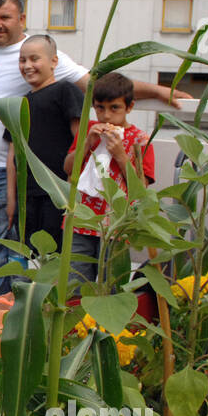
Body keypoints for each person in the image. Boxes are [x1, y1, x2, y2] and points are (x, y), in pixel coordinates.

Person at [0, 0, 185, 335]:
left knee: (1, 257)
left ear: (21, 20)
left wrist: (158, 91)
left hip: (10, 176)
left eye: (5, 18)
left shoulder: (43, 56)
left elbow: (100, 85)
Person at [63, 70, 156, 287]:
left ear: (129, 107)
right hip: (81, 221)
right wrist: (87, 143)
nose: (105, 116)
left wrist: (121, 156)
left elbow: (141, 188)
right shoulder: (88, 130)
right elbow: (68, 168)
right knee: (74, 282)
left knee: (111, 284)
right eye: (100, 108)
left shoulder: (141, 140)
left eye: (114, 108)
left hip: (116, 225)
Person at [3, 34, 82, 256]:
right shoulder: (18, 103)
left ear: (54, 61)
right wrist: (11, 198)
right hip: (27, 195)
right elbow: (12, 154)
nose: (27, 66)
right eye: (22, 60)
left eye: (34, 59)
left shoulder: (65, 91)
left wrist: (70, 189)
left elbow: (80, 141)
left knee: (55, 255)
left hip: (57, 192)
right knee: (31, 255)